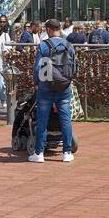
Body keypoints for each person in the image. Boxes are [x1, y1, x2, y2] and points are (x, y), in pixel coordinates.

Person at [31, 19, 76, 163]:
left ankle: (39, 153)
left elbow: (38, 68)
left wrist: (37, 83)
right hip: (64, 86)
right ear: (60, 28)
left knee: (42, 120)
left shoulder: (44, 45)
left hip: (46, 86)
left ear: (49, 29)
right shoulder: (69, 45)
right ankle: (67, 152)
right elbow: (74, 67)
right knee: (66, 119)